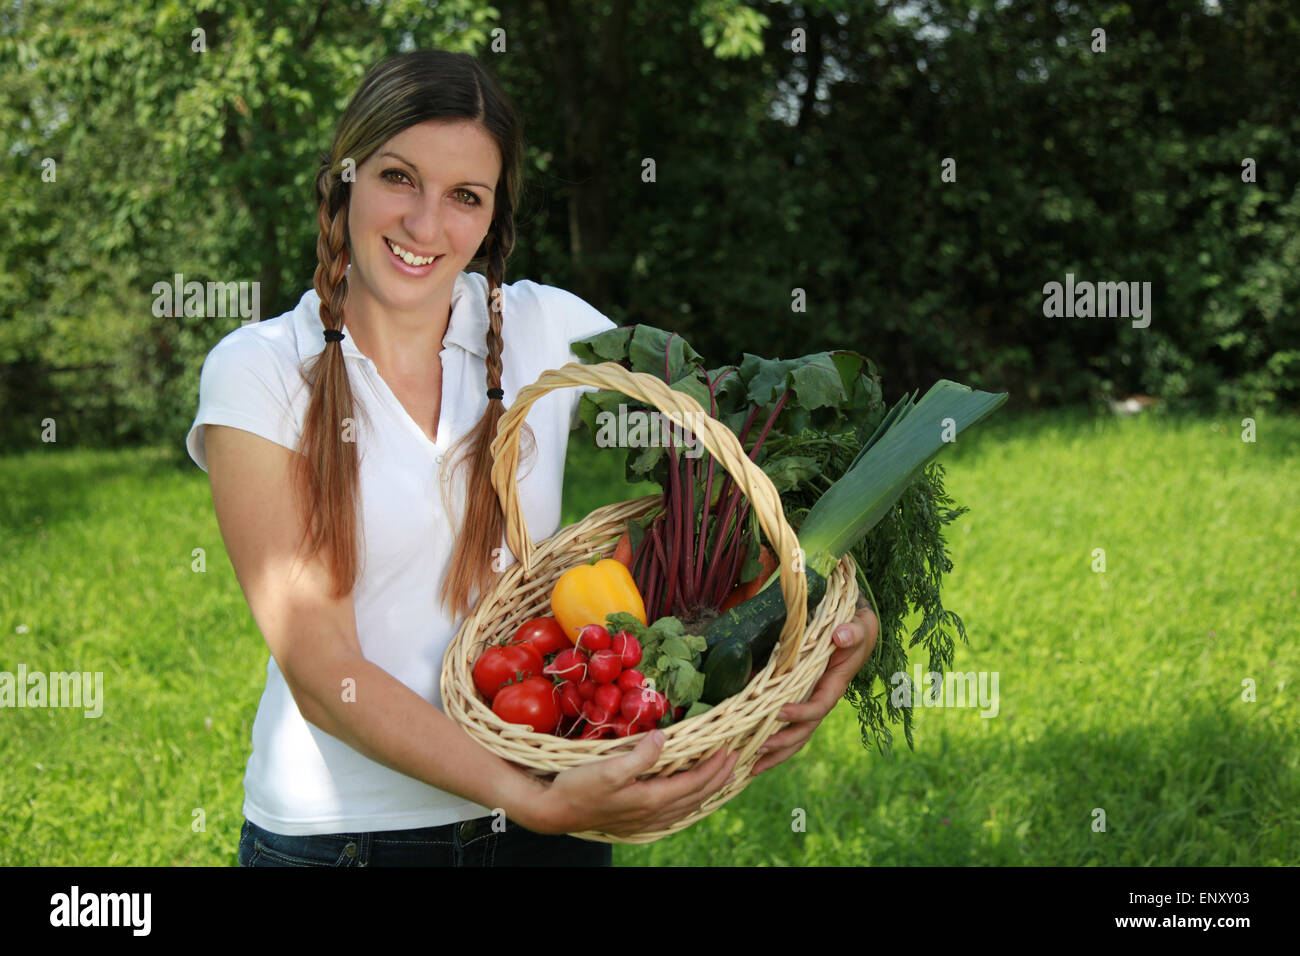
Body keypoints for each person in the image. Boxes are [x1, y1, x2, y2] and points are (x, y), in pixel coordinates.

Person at [185, 49, 878, 868]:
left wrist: (841, 625)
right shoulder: (260, 368)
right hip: (350, 839)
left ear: (493, 219)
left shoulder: (544, 329)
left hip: (557, 809)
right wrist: (526, 798)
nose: (425, 225)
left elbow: (736, 448)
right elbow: (319, 667)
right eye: (398, 178)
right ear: (345, 175)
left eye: (465, 197)